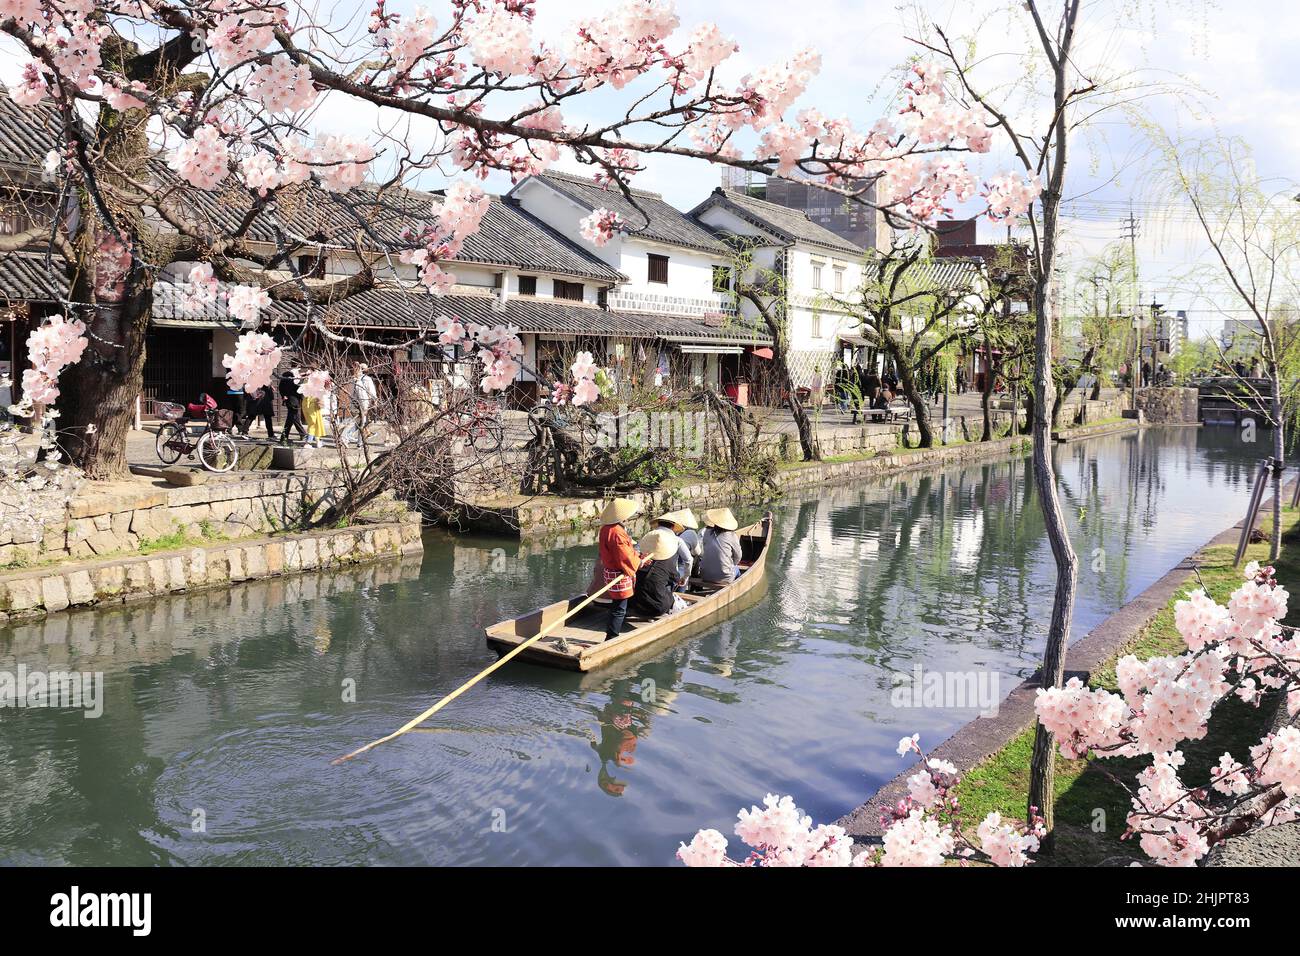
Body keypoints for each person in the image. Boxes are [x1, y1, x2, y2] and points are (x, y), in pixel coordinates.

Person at [593, 497, 641, 641]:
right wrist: (638, 561)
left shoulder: (605, 529)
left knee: (617, 605)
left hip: (609, 571)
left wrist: (637, 556)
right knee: (619, 608)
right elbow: (625, 557)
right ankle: (612, 637)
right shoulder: (617, 532)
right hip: (618, 573)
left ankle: (612, 632)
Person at [630, 529, 684, 618]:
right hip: (658, 608)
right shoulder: (667, 563)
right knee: (669, 593)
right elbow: (676, 579)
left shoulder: (640, 561)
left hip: (636, 605)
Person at [655, 508, 699, 590]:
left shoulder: (652, 537)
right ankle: (685, 591)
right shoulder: (679, 539)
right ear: (673, 526)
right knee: (694, 558)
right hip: (672, 572)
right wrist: (685, 578)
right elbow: (693, 557)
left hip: (655, 572)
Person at [700, 507, 744, 585]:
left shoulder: (707, 532)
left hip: (704, 575)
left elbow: (705, 548)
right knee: (736, 569)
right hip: (725, 577)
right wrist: (731, 564)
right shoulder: (732, 536)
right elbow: (738, 557)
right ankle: (737, 588)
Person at [278, 370, 307, 444]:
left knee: (294, 419)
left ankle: (302, 434)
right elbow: (299, 391)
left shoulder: (282, 383)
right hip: (294, 403)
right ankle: (284, 437)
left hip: (289, 403)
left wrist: (283, 396)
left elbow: (281, 390)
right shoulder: (292, 383)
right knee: (291, 420)